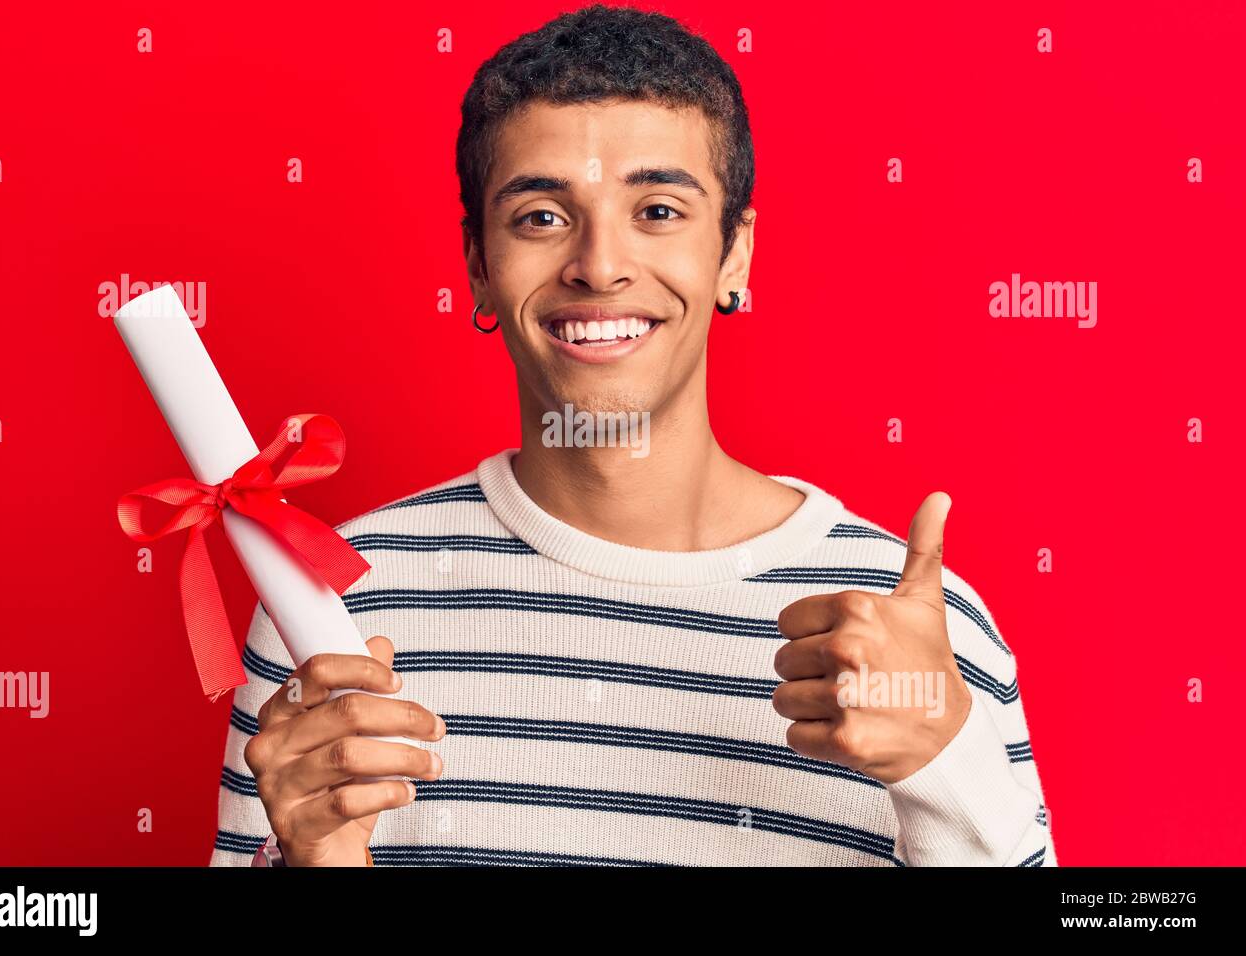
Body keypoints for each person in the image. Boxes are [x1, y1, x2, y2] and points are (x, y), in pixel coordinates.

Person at [210, 3, 1055, 867]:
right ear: (478, 265)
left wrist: (946, 769)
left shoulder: (915, 629)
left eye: (657, 210)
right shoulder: (331, 609)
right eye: (541, 216)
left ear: (735, 255)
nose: (600, 264)